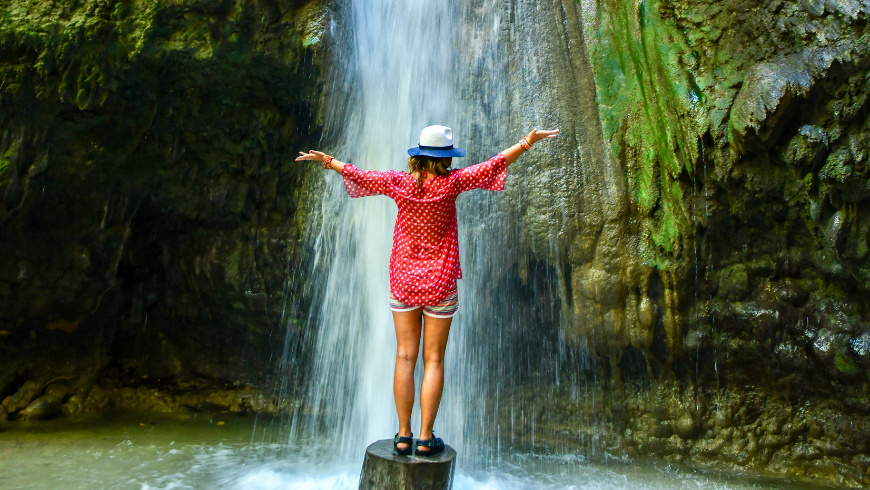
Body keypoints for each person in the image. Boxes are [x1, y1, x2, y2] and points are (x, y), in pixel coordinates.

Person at [296, 125, 559, 456]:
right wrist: (527, 142)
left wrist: (327, 160)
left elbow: (359, 175)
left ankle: (403, 434)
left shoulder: (399, 182)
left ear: (417, 155)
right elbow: (494, 164)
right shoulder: (453, 183)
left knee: (405, 356)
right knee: (433, 359)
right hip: (441, 281)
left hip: (404, 280)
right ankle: (424, 437)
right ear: (446, 158)